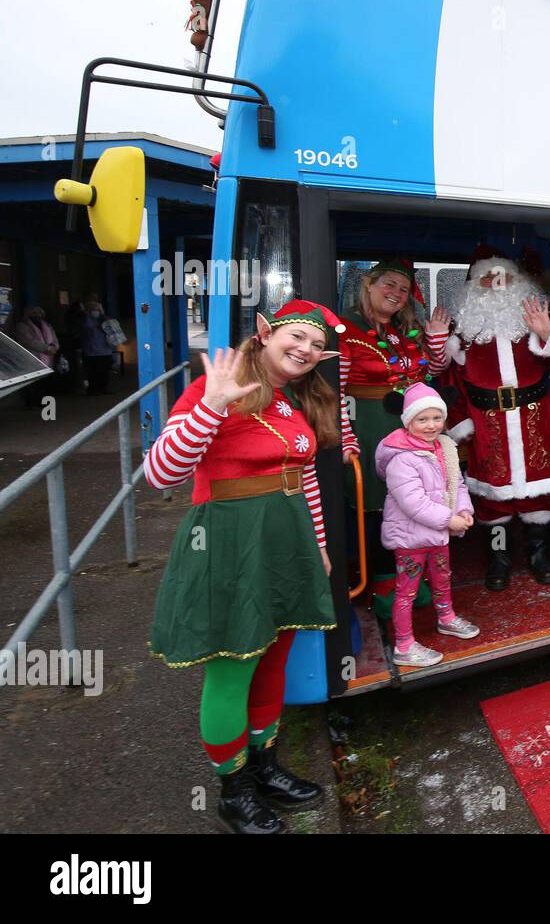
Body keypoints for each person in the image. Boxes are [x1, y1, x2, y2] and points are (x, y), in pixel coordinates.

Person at [144, 299, 345, 834]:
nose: (306, 350)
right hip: (228, 546)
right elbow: (159, 474)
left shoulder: (290, 401)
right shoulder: (218, 386)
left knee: (273, 662)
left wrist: (318, 548)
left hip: (286, 547)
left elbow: (303, 484)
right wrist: (210, 406)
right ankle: (234, 790)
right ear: (264, 332)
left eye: (316, 345)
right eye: (297, 337)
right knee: (233, 667)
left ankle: (264, 767)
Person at [444, 246, 550, 590]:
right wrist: (461, 423)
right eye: (488, 278)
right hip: (487, 426)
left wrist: (547, 332)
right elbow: (454, 384)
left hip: (534, 421)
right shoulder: (464, 335)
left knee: (539, 496)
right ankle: (499, 559)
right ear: (475, 286)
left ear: (519, 283)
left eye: (504, 277)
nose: (497, 284)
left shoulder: (535, 321)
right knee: (493, 502)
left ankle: (539, 557)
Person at [337, 260, 451, 615]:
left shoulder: (406, 330)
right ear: (369, 284)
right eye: (389, 284)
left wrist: (435, 338)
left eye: (403, 289)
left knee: (415, 502)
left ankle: (412, 580)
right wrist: (345, 435)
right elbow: (335, 391)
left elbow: (431, 373)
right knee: (376, 507)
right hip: (370, 430)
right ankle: (384, 583)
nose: (397, 294)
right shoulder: (345, 329)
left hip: (412, 431)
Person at [374, 384, 479, 667]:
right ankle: (404, 644)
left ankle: (446, 618)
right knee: (406, 590)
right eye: (422, 419)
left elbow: (456, 482)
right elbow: (413, 503)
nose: (431, 425)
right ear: (408, 421)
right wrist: (449, 519)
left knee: (443, 579)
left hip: (438, 534)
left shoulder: (445, 447)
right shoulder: (401, 458)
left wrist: (464, 509)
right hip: (410, 538)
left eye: (437, 418)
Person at [15, 305, 59, 409]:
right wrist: (46, 348)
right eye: (34, 314)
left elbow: (54, 339)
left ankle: (42, 401)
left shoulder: (47, 326)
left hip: (48, 358)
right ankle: (30, 402)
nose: (37, 316)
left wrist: (54, 347)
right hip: (32, 357)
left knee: (44, 382)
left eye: (39, 314)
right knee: (31, 383)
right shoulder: (22, 326)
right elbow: (29, 341)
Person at [81, 300, 116, 395]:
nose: (96, 311)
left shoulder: (104, 319)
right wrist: (87, 314)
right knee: (93, 372)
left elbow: (111, 327)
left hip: (105, 350)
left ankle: (104, 388)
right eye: (93, 309)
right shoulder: (87, 320)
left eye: (97, 309)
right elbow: (88, 326)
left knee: (104, 371)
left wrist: (103, 314)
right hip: (91, 351)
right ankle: (93, 389)